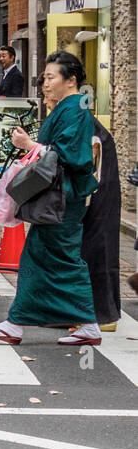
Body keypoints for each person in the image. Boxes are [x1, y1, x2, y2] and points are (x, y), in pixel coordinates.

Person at [0, 51, 103, 346]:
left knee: (57, 257)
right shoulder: (69, 107)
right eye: (45, 77)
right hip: (60, 196)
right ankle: (28, 322)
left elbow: (70, 156)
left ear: (70, 80)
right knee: (49, 257)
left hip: (63, 197)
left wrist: (28, 144)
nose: (44, 83)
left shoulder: (74, 109)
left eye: (50, 77)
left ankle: (24, 322)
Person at [81, 116, 121, 331]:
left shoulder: (87, 126)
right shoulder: (90, 125)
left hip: (95, 200)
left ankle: (101, 314)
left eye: (50, 78)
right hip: (99, 198)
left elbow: (87, 161)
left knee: (96, 250)